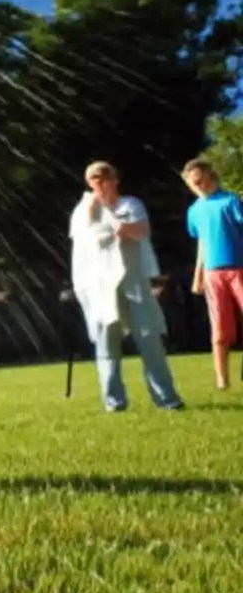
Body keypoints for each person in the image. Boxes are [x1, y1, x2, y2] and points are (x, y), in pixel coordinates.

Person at [69, 161, 184, 412]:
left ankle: (167, 399)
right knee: (107, 345)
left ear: (115, 179)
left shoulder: (131, 205)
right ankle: (114, 402)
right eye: (94, 178)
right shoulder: (82, 210)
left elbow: (140, 231)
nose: (99, 182)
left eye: (104, 176)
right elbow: (86, 242)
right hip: (101, 287)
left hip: (133, 283)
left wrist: (119, 227)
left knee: (149, 339)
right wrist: (100, 217)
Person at [182, 157, 243, 391]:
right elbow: (203, 244)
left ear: (209, 176)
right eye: (191, 182)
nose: (197, 185)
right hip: (213, 274)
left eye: (199, 179)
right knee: (219, 328)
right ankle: (222, 379)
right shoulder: (195, 210)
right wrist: (198, 275)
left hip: (239, 268)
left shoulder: (230, 201)